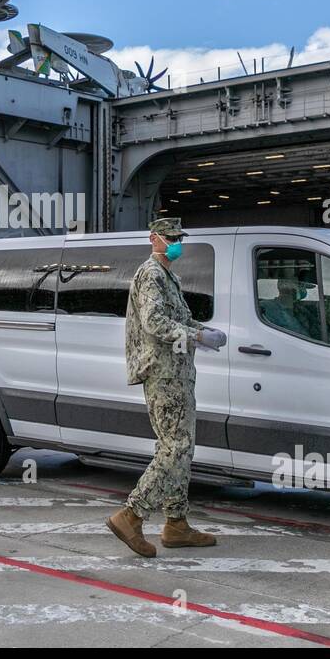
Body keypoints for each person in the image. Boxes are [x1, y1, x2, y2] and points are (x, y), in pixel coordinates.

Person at [106, 218, 227, 557]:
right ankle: (131, 514)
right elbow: (154, 321)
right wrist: (197, 337)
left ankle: (176, 523)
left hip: (176, 372)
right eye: (170, 237)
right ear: (154, 238)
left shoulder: (168, 276)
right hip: (164, 374)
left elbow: (179, 319)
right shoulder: (151, 274)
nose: (176, 243)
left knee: (180, 447)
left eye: (179, 237)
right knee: (175, 447)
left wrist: (204, 332)